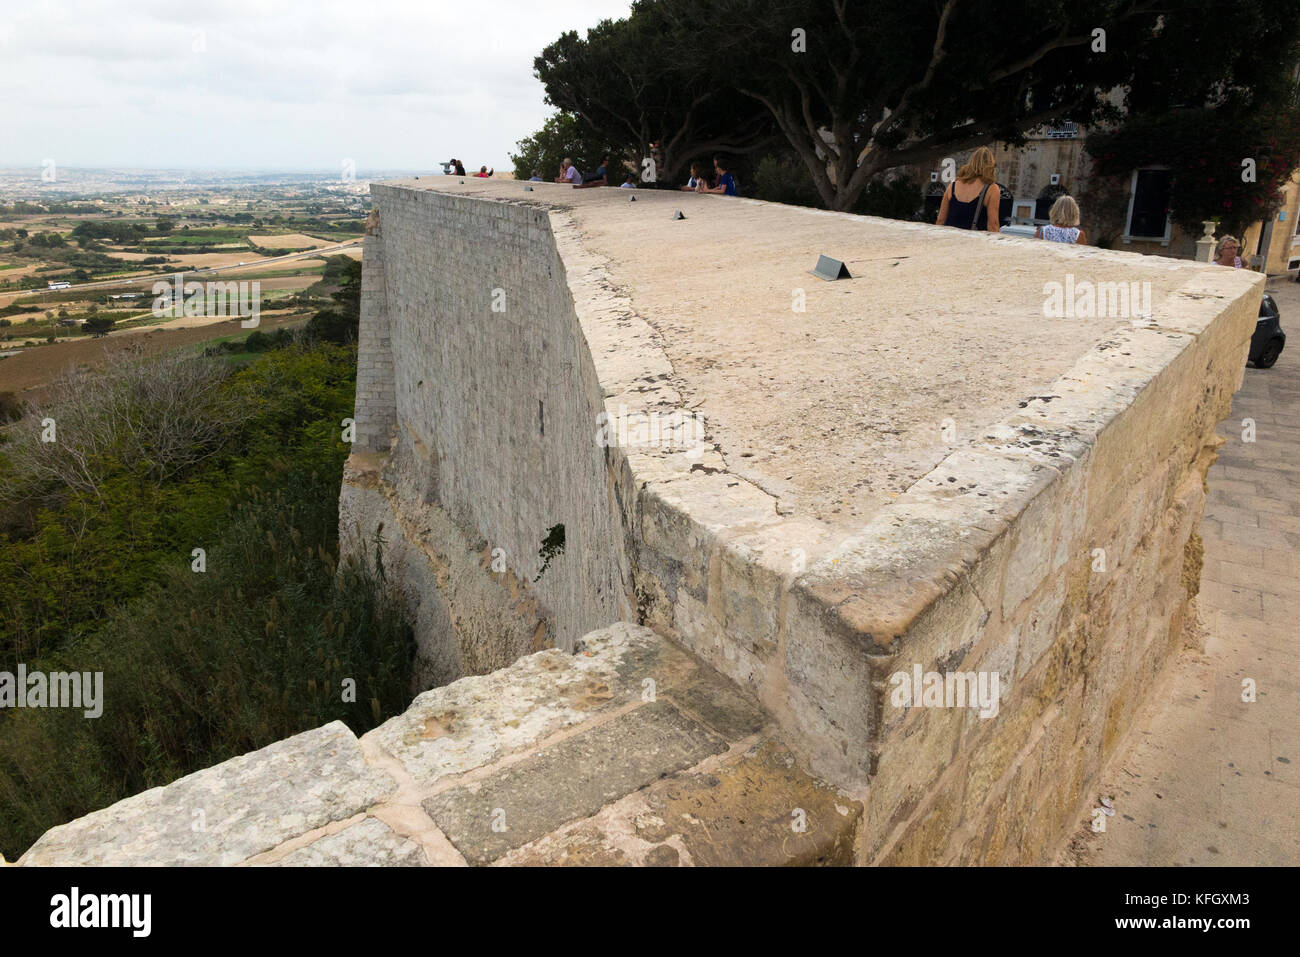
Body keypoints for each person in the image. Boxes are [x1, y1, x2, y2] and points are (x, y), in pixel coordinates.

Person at [936, 146, 1001, 233]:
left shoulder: (953, 185)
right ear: (991, 165)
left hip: (950, 240)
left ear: (971, 162)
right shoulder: (992, 189)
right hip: (974, 243)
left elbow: (940, 220)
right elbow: (993, 225)